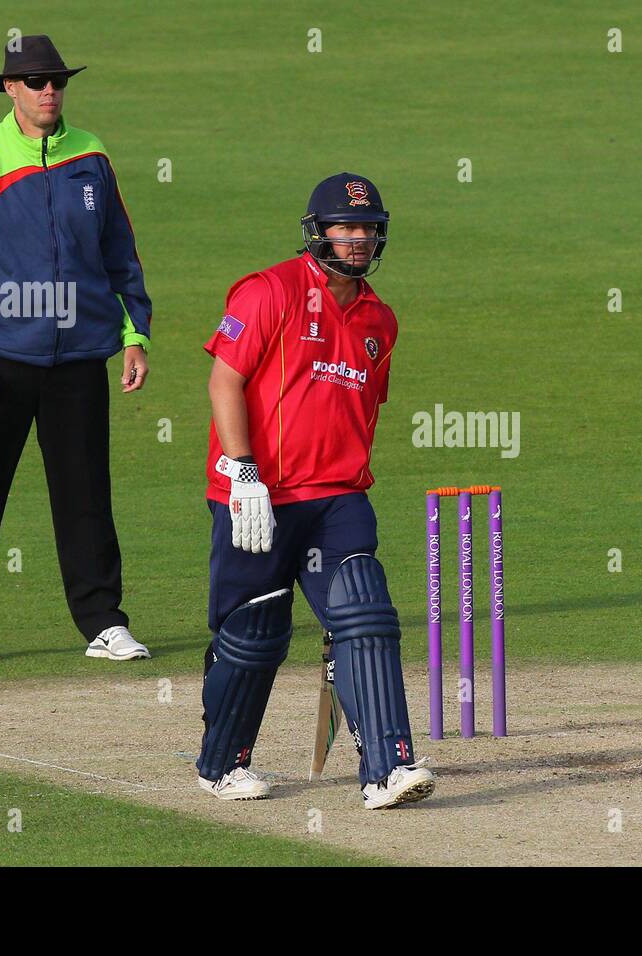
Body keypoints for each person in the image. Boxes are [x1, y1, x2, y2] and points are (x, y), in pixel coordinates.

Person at [196, 172, 434, 808]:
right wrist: (242, 472)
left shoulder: (379, 319)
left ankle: (388, 767)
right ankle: (222, 762)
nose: (357, 240)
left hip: (336, 497)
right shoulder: (268, 291)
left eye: (368, 229)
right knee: (254, 636)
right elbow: (225, 382)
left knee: (365, 614)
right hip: (256, 496)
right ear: (318, 232)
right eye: (345, 228)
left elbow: (358, 408)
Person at [0, 35, 152, 669]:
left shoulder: (92, 155)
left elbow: (119, 252)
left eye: (56, 80)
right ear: (9, 89)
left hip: (79, 357)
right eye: (34, 81)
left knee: (85, 496)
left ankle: (103, 621)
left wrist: (134, 334)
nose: (48, 90)